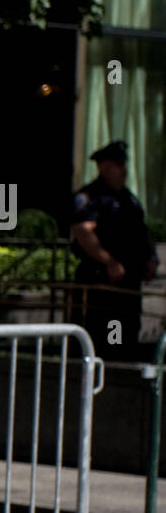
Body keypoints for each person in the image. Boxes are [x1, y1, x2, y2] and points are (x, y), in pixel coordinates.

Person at [71, 140, 159, 361]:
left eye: (123, 165)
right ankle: (110, 363)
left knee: (129, 325)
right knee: (111, 328)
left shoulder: (129, 199)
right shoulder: (91, 197)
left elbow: (141, 230)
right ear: (103, 167)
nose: (123, 170)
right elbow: (84, 232)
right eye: (117, 165)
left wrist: (151, 258)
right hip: (104, 280)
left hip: (130, 278)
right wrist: (108, 261)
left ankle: (123, 357)